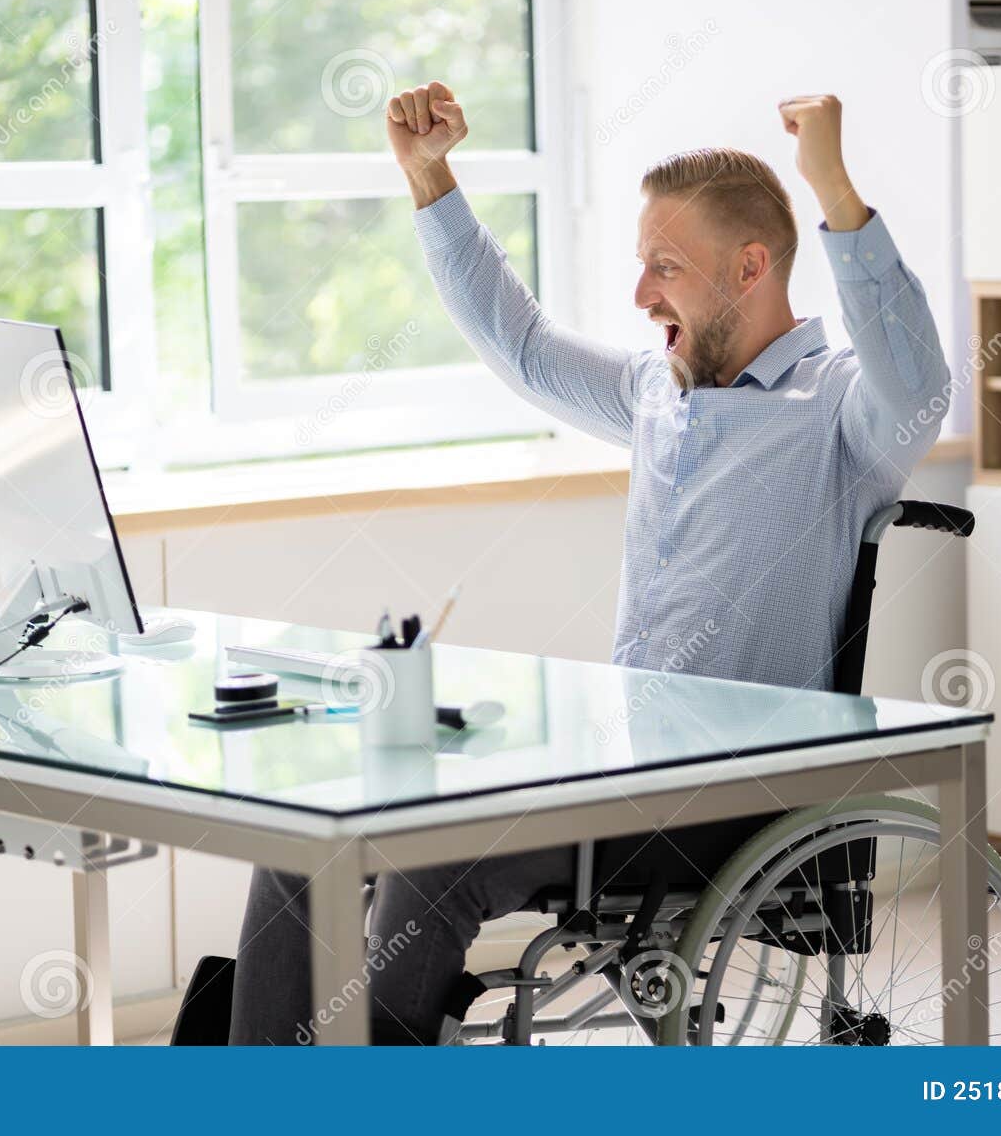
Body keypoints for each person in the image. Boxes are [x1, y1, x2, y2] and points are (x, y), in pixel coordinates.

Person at [230, 82, 950, 1046]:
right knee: (306, 827)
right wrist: (431, 181)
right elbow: (522, 345)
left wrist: (832, 187)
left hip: (731, 789)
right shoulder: (660, 389)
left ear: (750, 267)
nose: (641, 292)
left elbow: (922, 385)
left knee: (430, 860)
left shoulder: (838, 412)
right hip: (612, 762)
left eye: (665, 267)